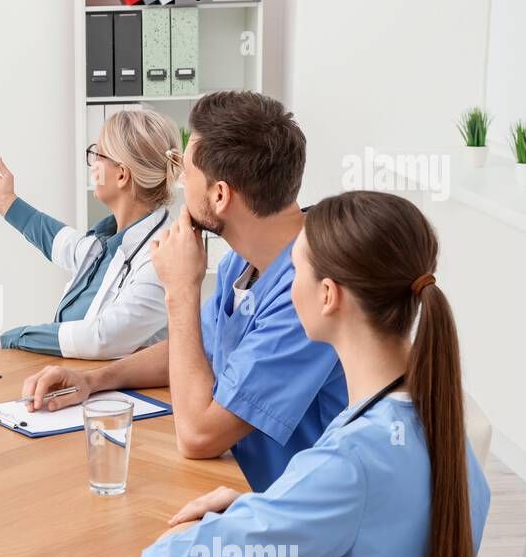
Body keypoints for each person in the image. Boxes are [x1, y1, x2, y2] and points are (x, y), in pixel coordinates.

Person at [136, 190, 491, 557]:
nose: (285, 287)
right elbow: (367, 532)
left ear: (328, 296)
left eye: (294, 271)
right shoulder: (436, 427)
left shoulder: (349, 463)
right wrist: (264, 509)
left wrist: (231, 525)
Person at [22, 92, 346, 490]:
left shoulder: (311, 290)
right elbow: (196, 348)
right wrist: (94, 381)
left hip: (293, 517)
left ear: (220, 195)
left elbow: (197, 437)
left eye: (187, 173)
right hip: (233, 485)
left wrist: (180, 289)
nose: (177, 182)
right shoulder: (240, 265)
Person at [0, 109, 182, 360]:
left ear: (122, 174)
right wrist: (6, 202)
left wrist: (19, 337)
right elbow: (58, 239)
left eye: (97, 155)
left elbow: (104, 337)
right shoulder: (108, 243)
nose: (92, 164)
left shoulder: (163, 254)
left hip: (124, 395)